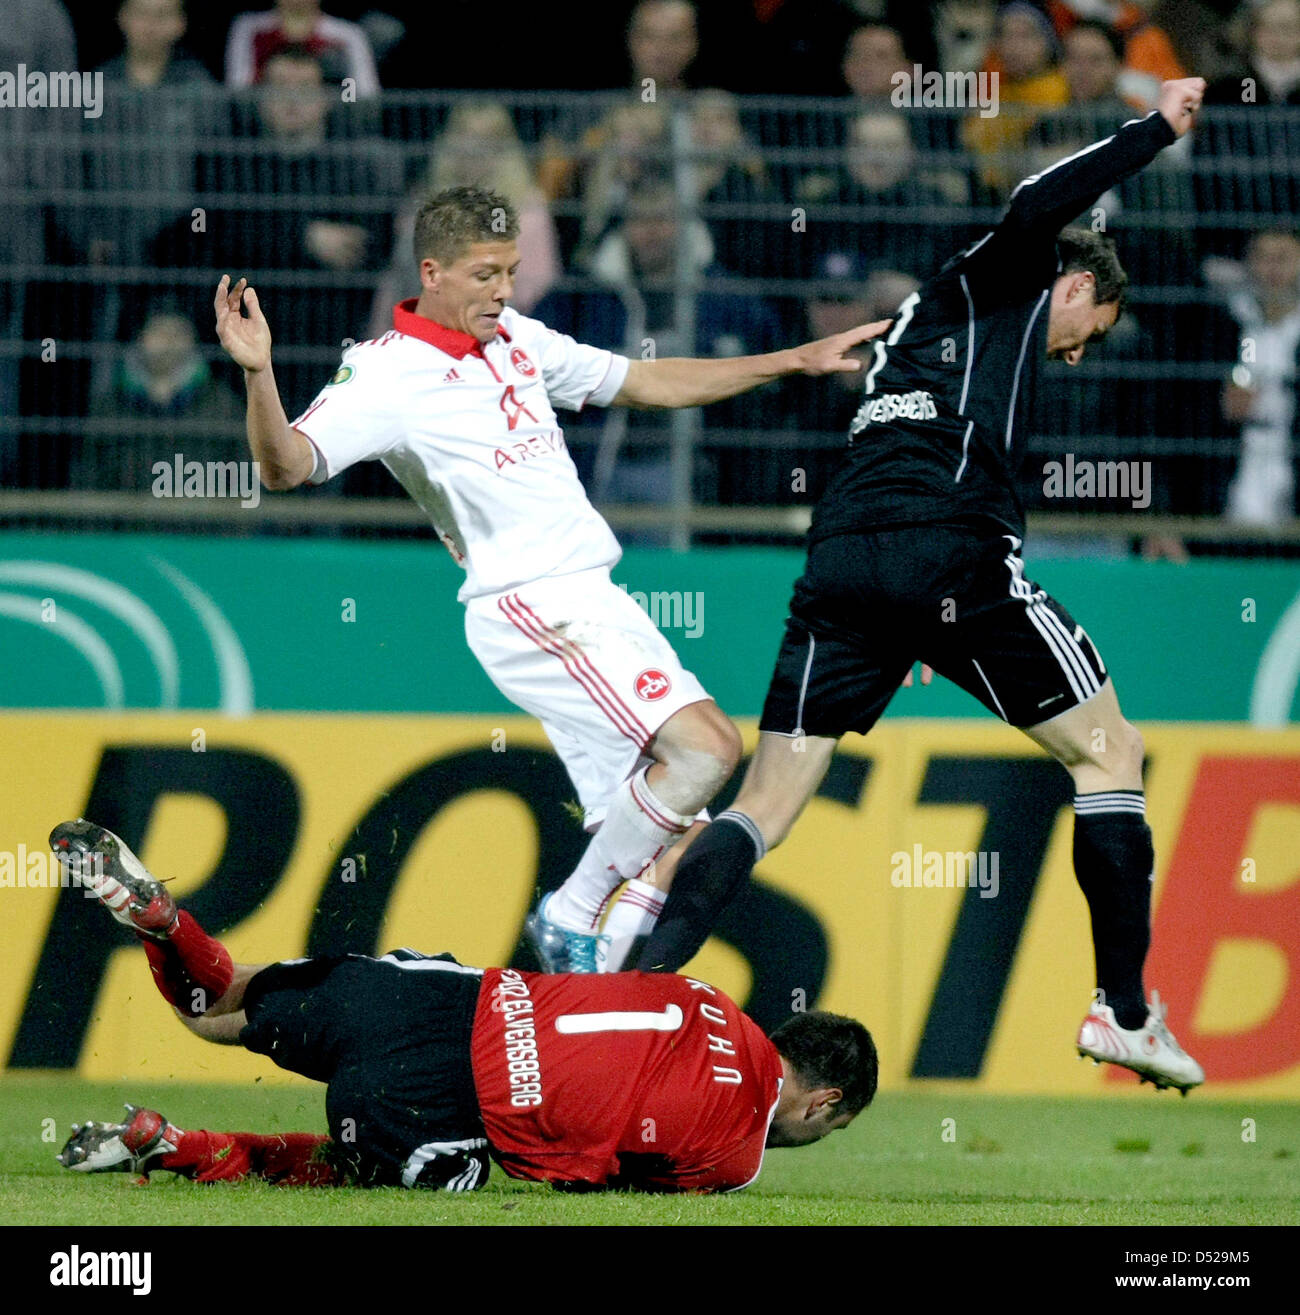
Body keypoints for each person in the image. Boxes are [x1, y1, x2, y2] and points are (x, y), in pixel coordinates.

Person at [630, 80, 1213, 1098]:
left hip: (844, 555)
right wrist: (1153, 130)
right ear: (1073, 284)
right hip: (946, 543)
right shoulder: (1007, 274)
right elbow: (1037, 198)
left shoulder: (922, 327)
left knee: (765, 801)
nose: (1078, 353)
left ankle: (632, 991)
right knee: (1109, 750)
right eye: (1092, 329)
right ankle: (1123, 1011)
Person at [213, 184, 887, 975]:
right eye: (484, 274)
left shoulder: (518, 339)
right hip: (533, 602)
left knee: (681, 843)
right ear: (431, 272)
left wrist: (795, 360)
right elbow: (286, 465)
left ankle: (588, 991)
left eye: (511, 270)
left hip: (591, 600)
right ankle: (569, 915)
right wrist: (261, 375)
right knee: (708, 748)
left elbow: (647, 383)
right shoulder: (385, 376)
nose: (503, 289)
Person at [50, 819, 877, 1194]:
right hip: (442, 1103)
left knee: (211, 1002)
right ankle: (178, 1145)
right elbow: (611, 1186)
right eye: (827, 1126)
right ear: (822, 1099)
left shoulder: (711, 999)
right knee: (349, 1173)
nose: (810, 1137)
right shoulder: (738, 1156)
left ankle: (164, 919)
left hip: (437, 995)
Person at [225, 0, 380, 93]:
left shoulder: (347, 36)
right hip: (264, 121)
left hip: (328, 120)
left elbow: (363, 91)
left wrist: (341, 101)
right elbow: (239, 87)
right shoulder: (250, 28)